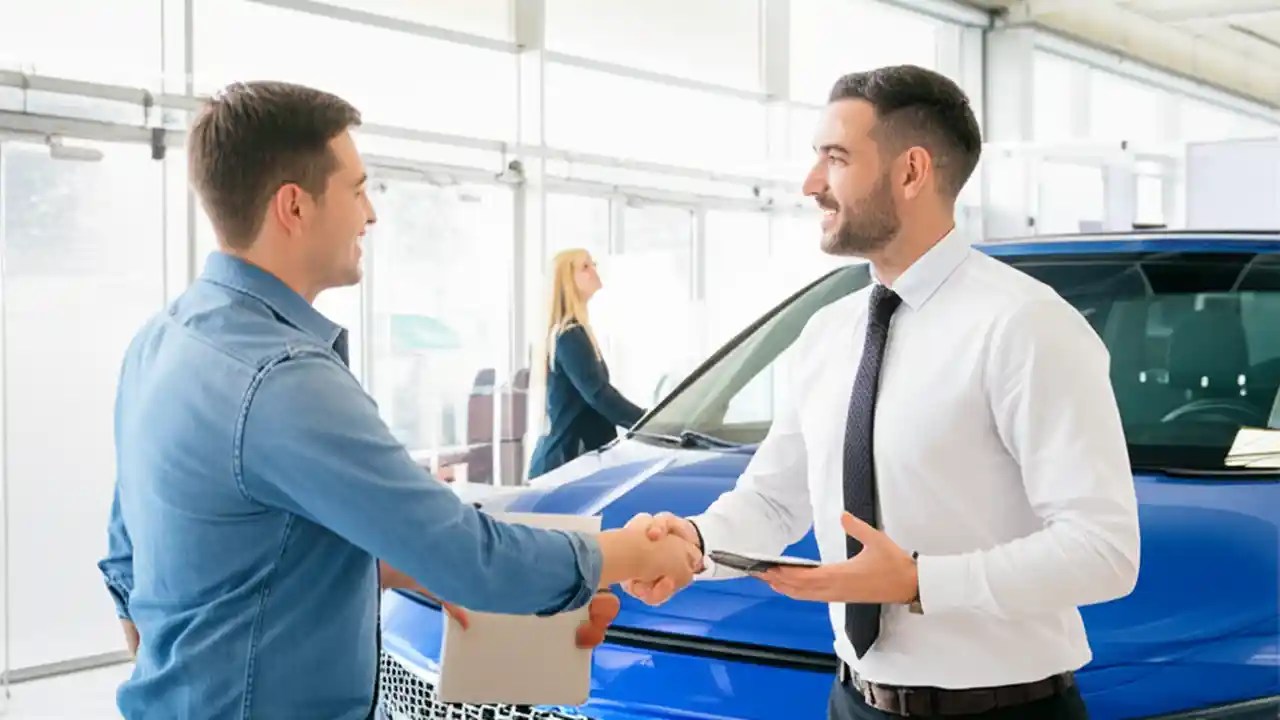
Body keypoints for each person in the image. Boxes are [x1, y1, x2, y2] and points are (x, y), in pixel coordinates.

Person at [96, 81, 700, 720]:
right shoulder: (284, 378)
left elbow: (130, 555)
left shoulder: (162, 339)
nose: (370, 215)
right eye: (357, 190)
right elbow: (469, 557)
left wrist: (412, 565)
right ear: (294, 207)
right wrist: (633, 553)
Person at [623, 65, 1141, 719]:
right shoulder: (828, 333)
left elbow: (1104, 551)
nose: (812, 185)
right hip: (854, 702)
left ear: (911, 172)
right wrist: (695, 543)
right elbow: (773, 503)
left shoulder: (1027, 326)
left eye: (835, 159)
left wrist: (920, 582)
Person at [527, 248, 645, 478]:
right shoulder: (570, 335)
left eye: (593, 264)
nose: (594, 271)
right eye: (585, 266)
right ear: (568, 280)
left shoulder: (571, 333)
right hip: (565, 465)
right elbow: (599, 394)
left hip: (569, 461)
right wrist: (647, 421)